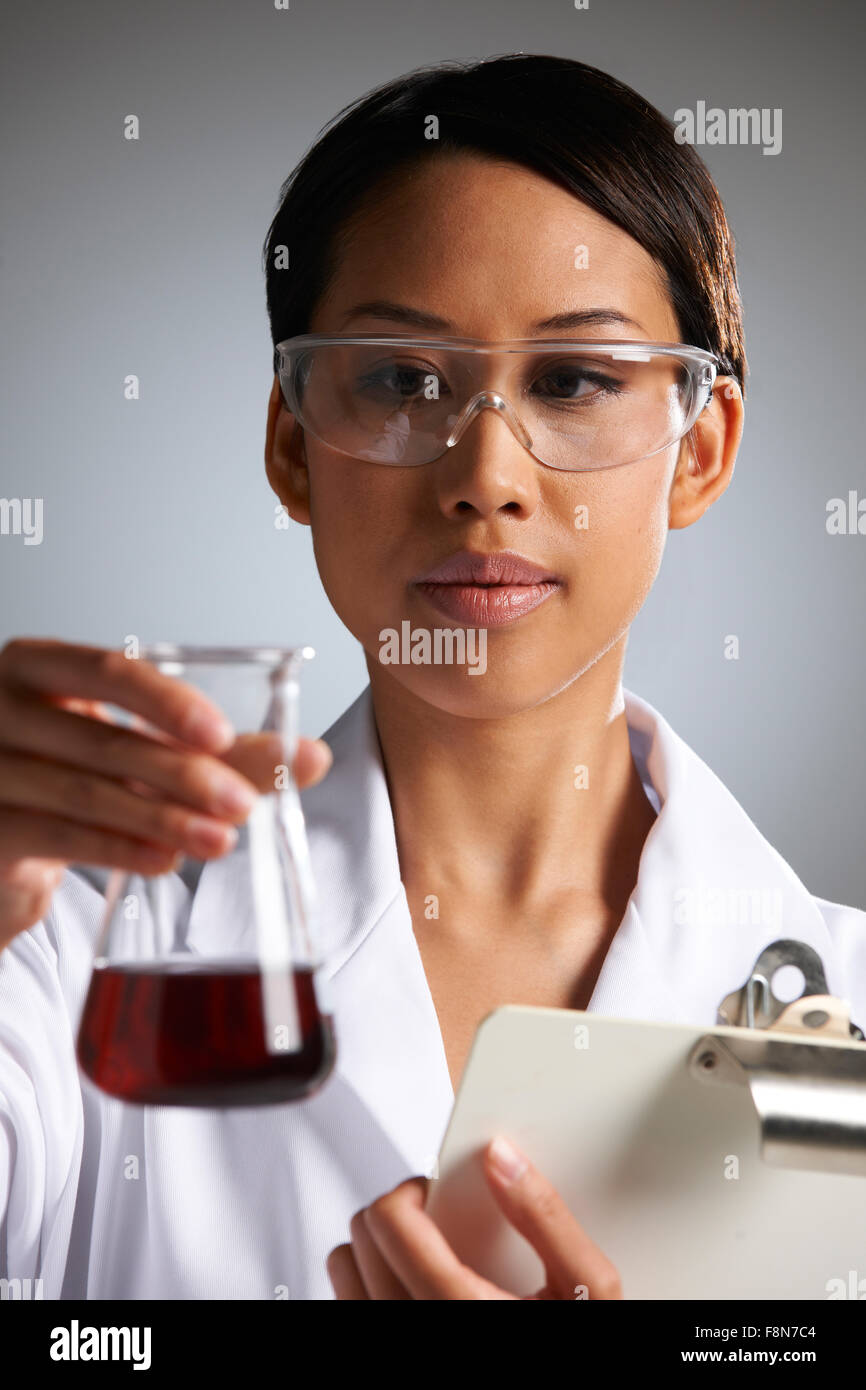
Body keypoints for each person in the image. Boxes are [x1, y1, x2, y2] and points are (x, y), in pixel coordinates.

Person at [1, 53, 863, 1302]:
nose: (487, 474)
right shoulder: (77, 956)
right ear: (293, 449)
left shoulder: (842, 1021)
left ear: (698, 449)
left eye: (572, 380)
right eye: (404, 381)